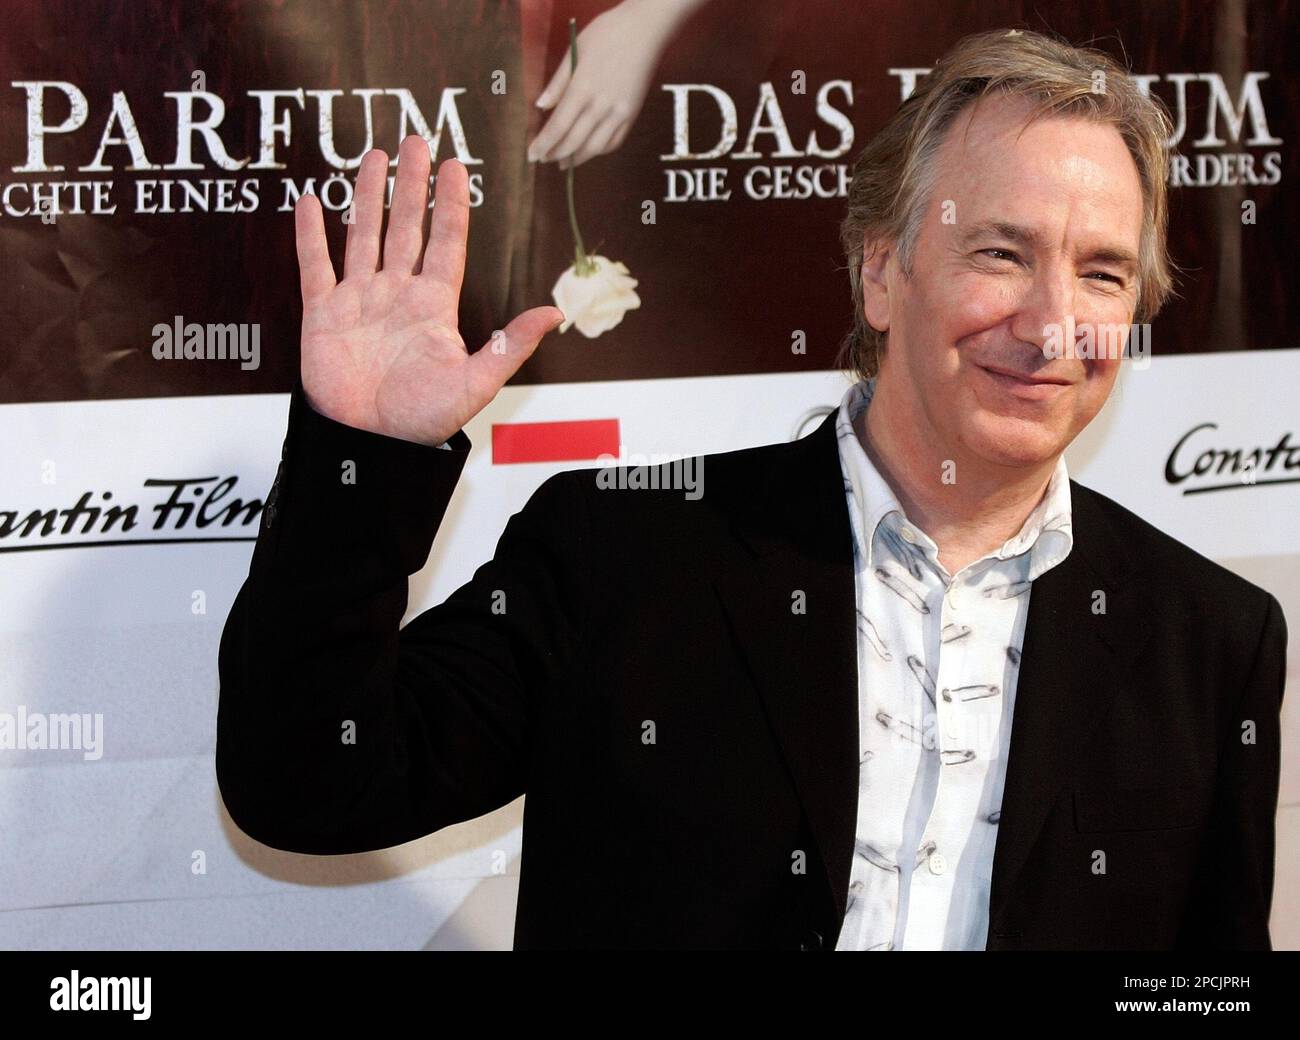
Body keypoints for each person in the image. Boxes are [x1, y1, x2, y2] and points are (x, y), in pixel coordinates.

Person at [216, 28, 1287, 950]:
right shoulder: (623, 550)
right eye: (1000, 252)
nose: (1052, 321)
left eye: (1099, 271)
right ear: (880, 273)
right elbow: (308, 781)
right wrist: (363, 455)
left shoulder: (1208, 636)